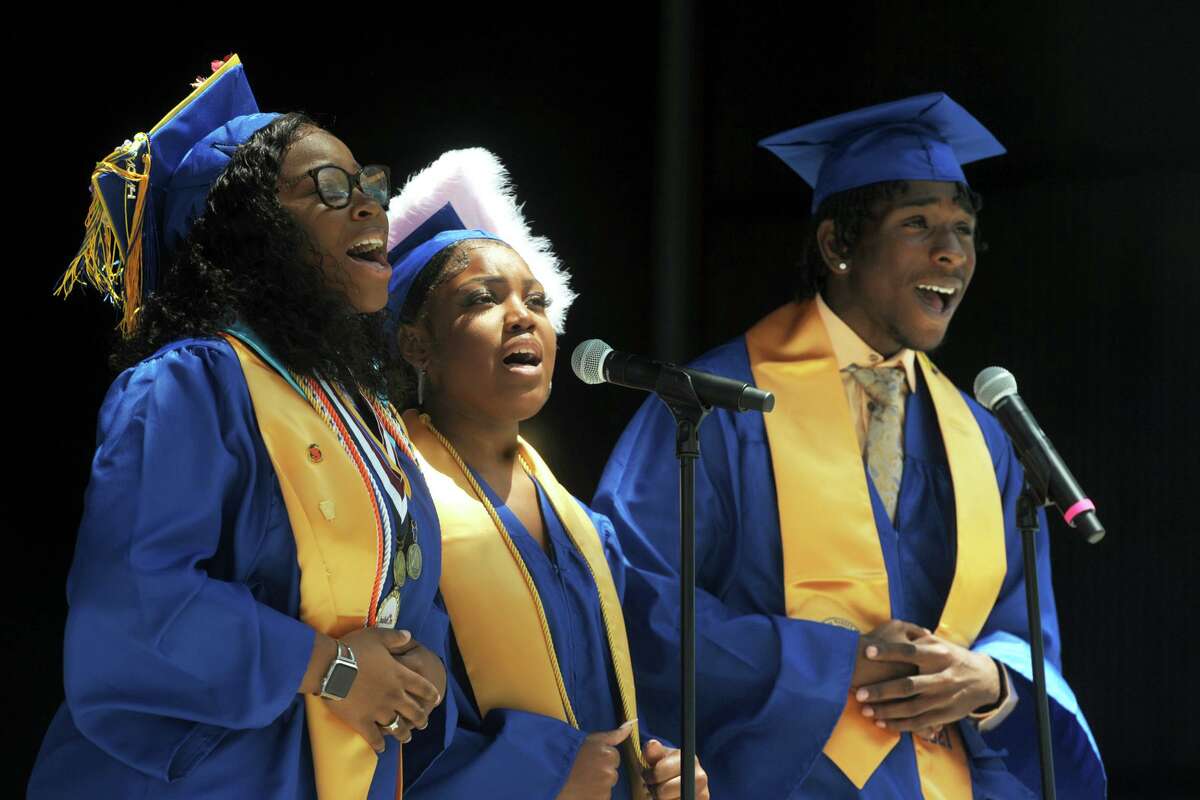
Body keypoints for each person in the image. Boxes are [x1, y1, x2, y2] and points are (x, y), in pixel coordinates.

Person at [593, 93, 1105, 798]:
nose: (951, 251)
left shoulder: (984, 436)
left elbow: (1019, 623)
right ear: (837, 245)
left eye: (961, 228)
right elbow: (636, 604)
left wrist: (990, 683)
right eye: (917, 224)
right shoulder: (713, 405)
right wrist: (837, 660)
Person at [29, 56, 449, 799]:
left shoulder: (369, 415)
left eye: (368, 184)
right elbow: (139, 601)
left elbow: (398, 596)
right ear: (247, 231)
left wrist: (425, 668)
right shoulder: (190, 386)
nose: (369, 206)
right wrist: (337, 669)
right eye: (327, 188)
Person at [383, 148, 709, 799]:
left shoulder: (584, 528)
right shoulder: (392, 507)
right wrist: (536, 771)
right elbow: (382, 724)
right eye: (483, 298)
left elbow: (623, 702)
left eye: (536, 299)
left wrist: (662, 770)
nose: (523, 314)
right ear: (418, 345)